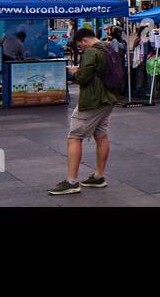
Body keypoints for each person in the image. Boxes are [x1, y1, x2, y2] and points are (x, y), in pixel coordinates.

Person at [47, 28, 118, 194]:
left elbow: (83, 78)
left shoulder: (91, 52)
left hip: (93, 100)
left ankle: (72, 182)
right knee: (101, 135)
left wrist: (75, 72)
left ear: (84, 40)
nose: (81, 48)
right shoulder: (108, 48)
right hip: (109, 98)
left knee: (74, 137)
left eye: (80, 45)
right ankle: (99, 176)